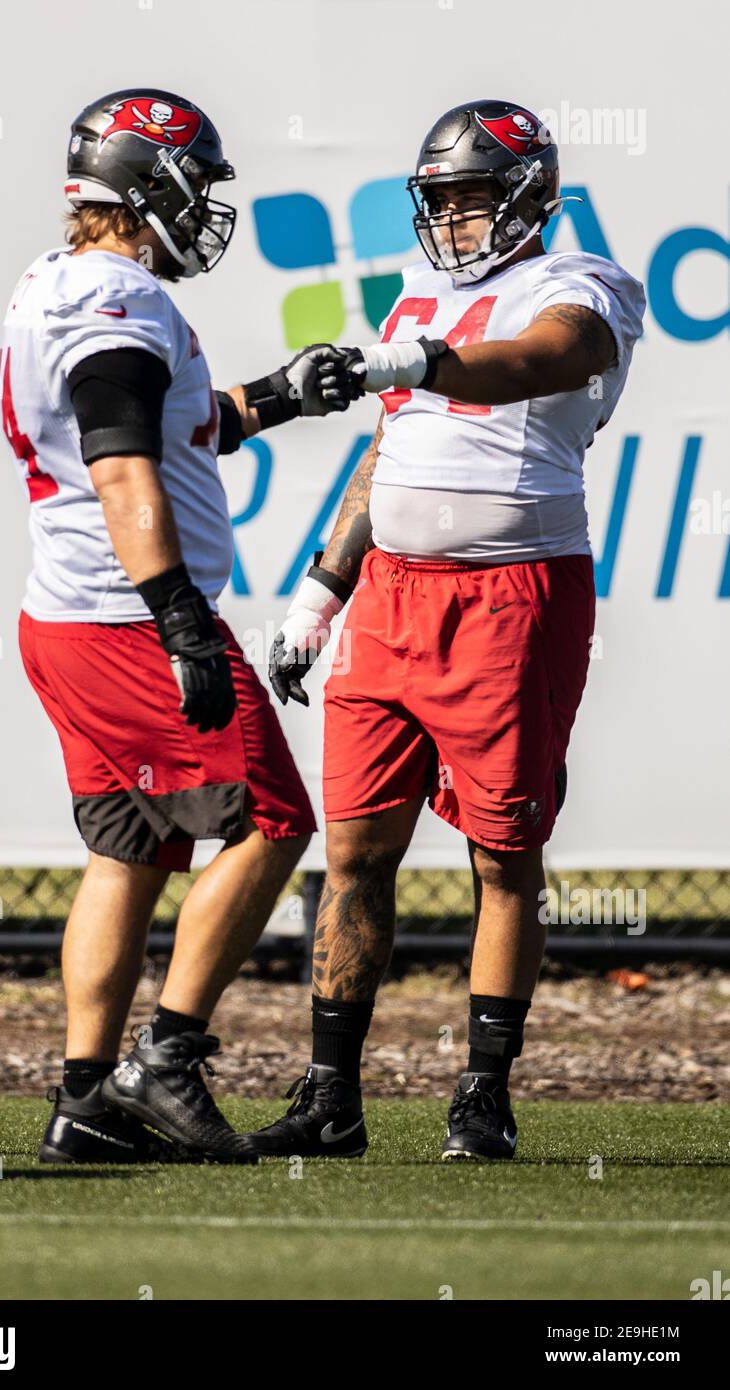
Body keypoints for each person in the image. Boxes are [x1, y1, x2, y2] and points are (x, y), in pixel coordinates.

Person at [251, 99, 645, 1161]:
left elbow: (533, 363)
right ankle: (330, 1092)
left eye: (472, 197)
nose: (455, 218)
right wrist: (318, 594)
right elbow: (389, 457)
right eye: (441, 199)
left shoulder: (583, 282)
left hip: (511, 595)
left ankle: (481, 1091)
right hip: (389, 596)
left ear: (528, 199)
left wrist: (409, 363)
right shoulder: (421, 297)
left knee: (502, 853)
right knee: (353, 855)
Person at [0, 88, 355, 1164]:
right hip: (128, 616)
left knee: (136, 851)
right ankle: (166, 1060)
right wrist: (180, 621)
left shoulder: (62, 287)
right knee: (273, 821)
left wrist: (284, 396)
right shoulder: (117, 300)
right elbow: (119, 464)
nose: (203, 203)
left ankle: (82, 1100)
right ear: (147, 182)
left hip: (69, 615)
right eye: (192, 180)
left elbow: (180, 426)